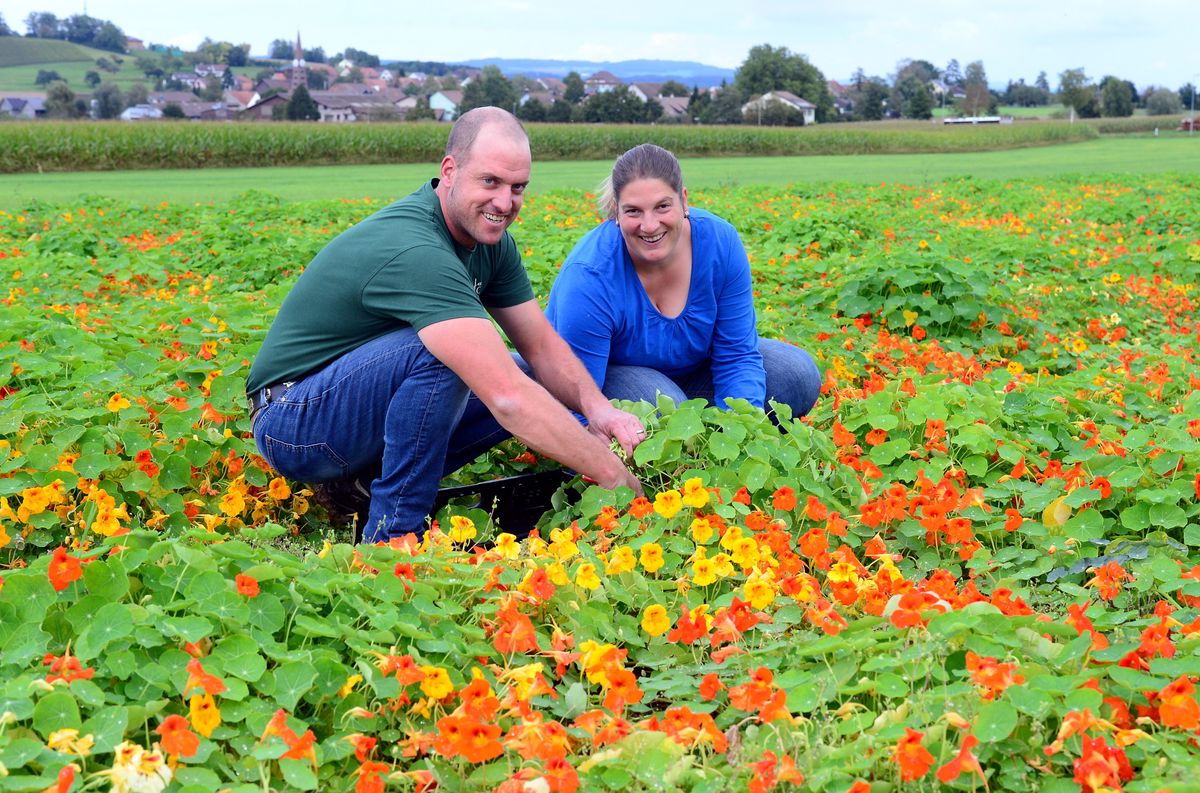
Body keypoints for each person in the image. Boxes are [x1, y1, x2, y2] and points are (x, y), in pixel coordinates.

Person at [245, 107, 644, 543]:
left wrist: (598, 410)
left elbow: (542, 348)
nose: (504, 203)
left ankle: (362, 485)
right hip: (293, 422)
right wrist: (614, 477)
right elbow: (507, 398)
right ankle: (393, 538)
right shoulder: (419, 249)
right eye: (489, 181)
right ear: (449, 171)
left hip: (351, 408)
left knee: (527, 372)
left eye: (517, 187)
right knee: (446, 356)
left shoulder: (491, 243)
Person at [545, 143, 821, 420]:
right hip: (604, 379)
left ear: (684, 200)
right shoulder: (590, 274)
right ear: (616, 211)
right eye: (633, 211)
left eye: (662, 206)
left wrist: (742, 429)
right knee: (666, 405)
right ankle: (681, 428)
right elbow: (579, 395)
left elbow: (735, 356)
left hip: (694, 375)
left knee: (795, 372)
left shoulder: (719, 242)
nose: (650, 225)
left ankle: (698, 431)